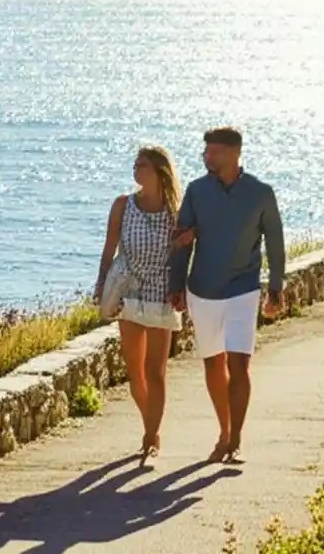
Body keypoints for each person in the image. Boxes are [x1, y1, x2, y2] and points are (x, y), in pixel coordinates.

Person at [168, 126, 285, 464]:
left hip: (243, 289)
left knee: (239, 362)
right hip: (202, 290)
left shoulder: (261, 193)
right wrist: (177, 286)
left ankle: (235, 439)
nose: (207, 157)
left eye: (214, 152)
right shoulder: (196, 191)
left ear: (234, 154)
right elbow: (181, 242)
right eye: (206, 152)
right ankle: (224, 429)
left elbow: (275, 243)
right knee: (213, 363)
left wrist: (275, 287)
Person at [94, 145, 185, 465]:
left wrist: (182, 290)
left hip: (161, 293)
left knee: (156, 371)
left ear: (159, 171)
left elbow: (183, 255)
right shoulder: (123, 205)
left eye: (142, 165)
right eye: (135, 164)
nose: (136, 170)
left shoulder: (176, 211)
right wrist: (100, 286)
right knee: (136, 372)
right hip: (128, 291)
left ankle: (151, 437)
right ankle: (150, 424)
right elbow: (109, 251)